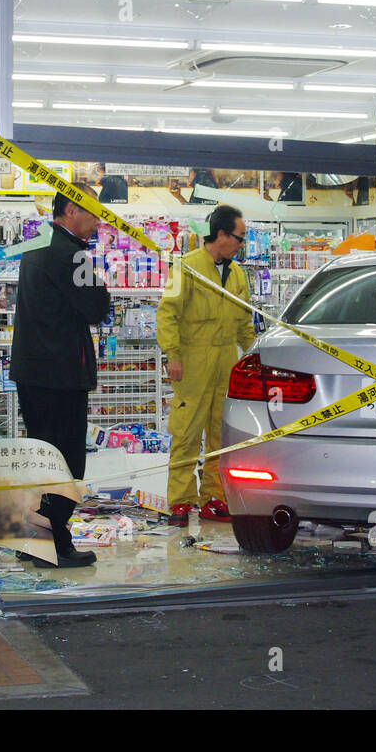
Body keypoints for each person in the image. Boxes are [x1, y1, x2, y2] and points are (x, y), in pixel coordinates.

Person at [9, 182, 111, 567]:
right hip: (62, 375)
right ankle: (55, 545)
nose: (97, 219)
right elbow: (96, 307)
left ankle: (31, 539)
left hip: (32, 372)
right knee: (67, 462)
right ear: (70, 210)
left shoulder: (34, 248)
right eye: (92, 211)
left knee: (41, 458)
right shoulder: (74, 256)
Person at [157, 204, 255, 525]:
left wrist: (254, 355)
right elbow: (167, 313)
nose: (242, 244)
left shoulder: (238, 274)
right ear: (222, 234)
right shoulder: (184, 267)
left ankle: (214, 497)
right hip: (193, 364)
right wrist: (173, 355)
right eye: (239, 238)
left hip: (226, 364)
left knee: (220, 434)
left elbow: (244, 322)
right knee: (186, 432)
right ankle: (181, 501)